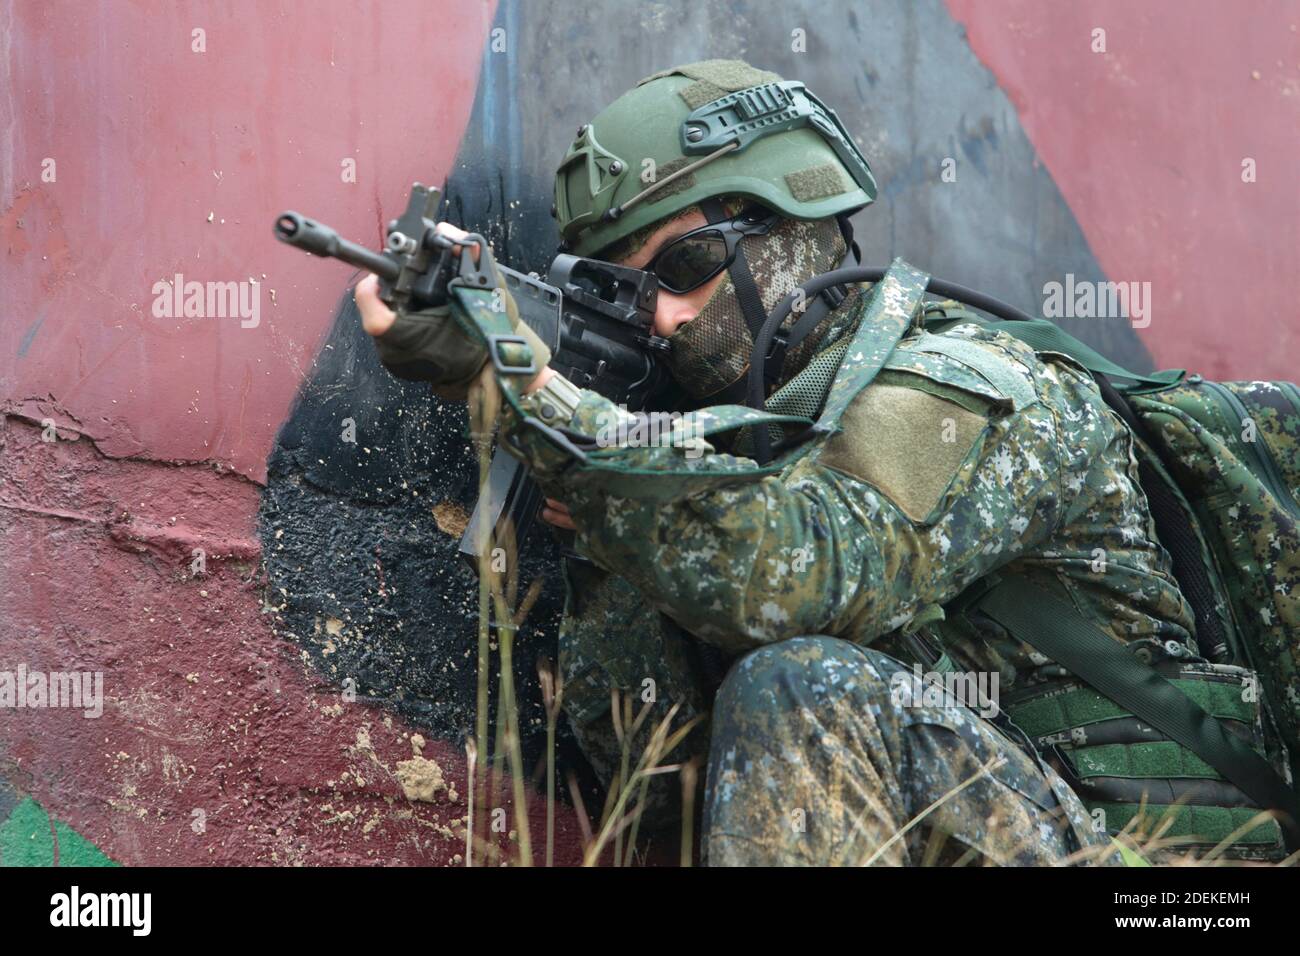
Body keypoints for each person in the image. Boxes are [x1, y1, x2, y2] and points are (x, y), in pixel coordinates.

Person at [351, 59, 1261, 866]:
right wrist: (610, 526)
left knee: (802, 689)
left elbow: (799, 573)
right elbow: (659, 787)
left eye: (685, 265)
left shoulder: (974, 385)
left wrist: (529, 392)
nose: (664, 319)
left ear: (787, 223)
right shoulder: (740, 451)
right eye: (637, 293)